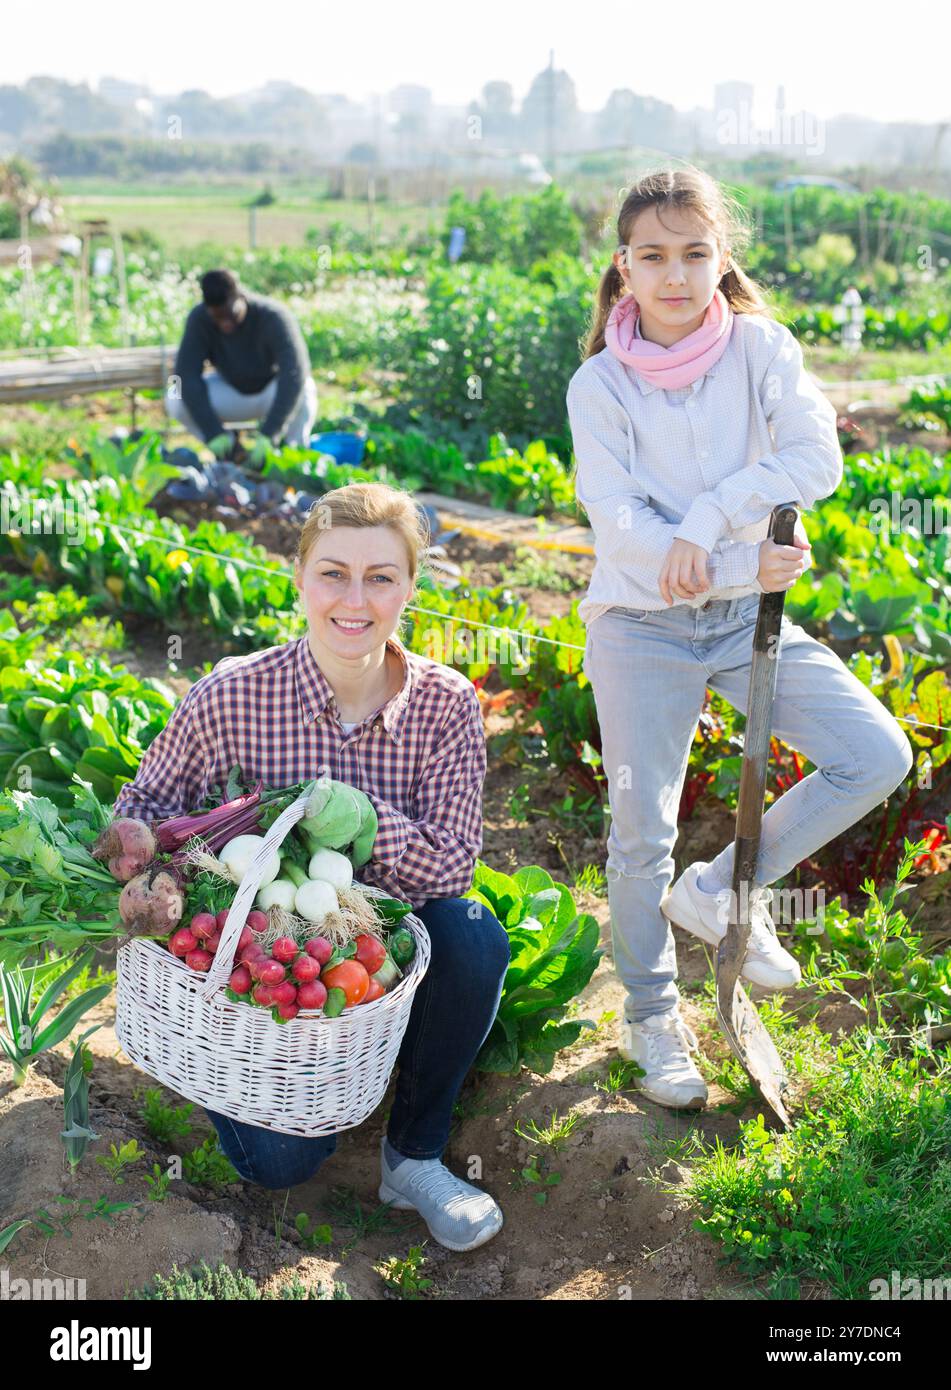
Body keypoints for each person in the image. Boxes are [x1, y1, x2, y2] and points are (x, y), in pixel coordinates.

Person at [566, 167, 913, 1112]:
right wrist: (727, 560)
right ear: (623, 269)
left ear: (721, 261)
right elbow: (623, 533)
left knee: (873, 754)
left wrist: (714, 515)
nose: (674, 276)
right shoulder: (599, 386)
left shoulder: (759, 349)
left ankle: (719, 891)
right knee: (640, 833)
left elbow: (816, 456)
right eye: (652, 257)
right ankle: (650, 1015)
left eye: (693, 253)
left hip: (741, 622)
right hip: (639, 628)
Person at [112, 482, 509, 1252]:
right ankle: (245, 1071)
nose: (353, 599)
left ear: (410, 589)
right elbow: (145, 802)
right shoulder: (231, 694)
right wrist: (152, 863)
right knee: (282, 1164)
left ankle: (413, 1157)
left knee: (471, 933)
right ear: (298, 580)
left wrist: (363, 817)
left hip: (371, 947)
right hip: (258, 959)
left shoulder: (446, 706)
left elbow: (453, 864)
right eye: (332, 572)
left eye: (380, 577)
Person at [167, 268, 318, 461]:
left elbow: (294, 373)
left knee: (304, 388)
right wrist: (212, 430)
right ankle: (230, 450)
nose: (225, 324)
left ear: (240, 296)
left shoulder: (273, 317)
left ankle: (291, 457)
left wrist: (270, 433)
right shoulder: (199, 319)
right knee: (175, 397)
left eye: (230, 315)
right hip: (231, 393)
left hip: (269, 393)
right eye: (217, 318)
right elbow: (184, 376)